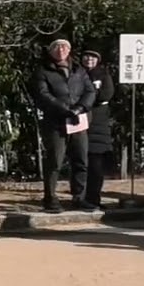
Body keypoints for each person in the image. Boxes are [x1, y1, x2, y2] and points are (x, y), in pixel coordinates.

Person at [29, 37, 96, 213]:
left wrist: (80, 107)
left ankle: (79, 197)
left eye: (64, 47)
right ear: (51, 51)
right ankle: (50, 198)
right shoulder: (43, 71)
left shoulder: (79, 70)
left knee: (81, 160)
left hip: (78, 120)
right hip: (56, 122)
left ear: (69, 51)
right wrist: (65, 109)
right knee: (55, 161)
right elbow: (43, 95)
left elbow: (90, 91)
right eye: (57, 48)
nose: (61, 51)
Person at [81, 49, 115, 208]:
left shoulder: (104, 75)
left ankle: (93, 197)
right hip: (79, 120)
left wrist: (87, 97)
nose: (89, 59)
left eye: (93, 57)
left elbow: (105, 95)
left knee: (96, 164)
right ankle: (80, 197)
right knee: (80, 161)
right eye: (87, 56)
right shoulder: (77, 74)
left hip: (99, 123)